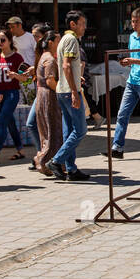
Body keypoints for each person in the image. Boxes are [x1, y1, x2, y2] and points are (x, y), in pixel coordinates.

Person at [111, 6, 140, 160]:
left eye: (137, 22)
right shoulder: (132, 37)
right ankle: (117, 148)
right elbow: (134, 59)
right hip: (132, 81)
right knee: (122, 114)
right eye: (132, 22)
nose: (134, 24)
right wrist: (128, 63)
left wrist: (133, 60)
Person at [51, 10, 92, 181]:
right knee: (81, 130)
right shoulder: (71, 40)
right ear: (72, 24)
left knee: (69, 132)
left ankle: (71, 169)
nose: (84, 27)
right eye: (82, 24)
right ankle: (56, 161)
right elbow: (67, 66)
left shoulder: (63, 40)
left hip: (63, 90)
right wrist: (75, 91)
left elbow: (66, 66)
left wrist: (76, 77)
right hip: (69, 91)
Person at [0, 30, 26, 164]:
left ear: (9, 41)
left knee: (2, 121)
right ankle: (20, 150)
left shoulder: (17, 58)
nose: (0, 43)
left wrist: (16, 75)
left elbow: (25, 78)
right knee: (9, 121)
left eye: (3, 40)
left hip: (12, 92)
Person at [31, 30, 62, 176]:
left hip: (42, 95)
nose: (59, 44)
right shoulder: (49, 59)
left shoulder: (43, 56)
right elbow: (50, 81)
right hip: (49, 97)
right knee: (53, 131)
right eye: (57, 41)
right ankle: (42, 160)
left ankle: (47, 162)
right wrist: (62, 92)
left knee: (46, 131)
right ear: (50, 43)